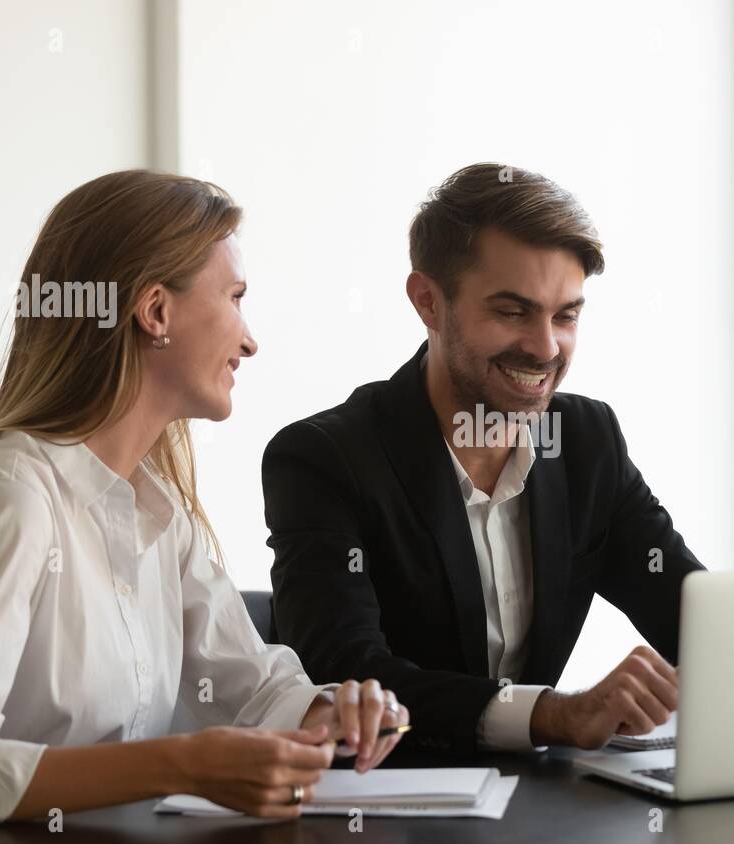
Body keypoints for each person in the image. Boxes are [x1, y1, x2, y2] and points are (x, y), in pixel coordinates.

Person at [0, 170, 408, 833]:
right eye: (236, 298)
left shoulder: (160, 515)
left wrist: (330, 711)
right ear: (155, 312)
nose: (250, 340)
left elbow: (254, 688)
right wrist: (178, 764)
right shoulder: (8, 499)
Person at [262, 163, 702, 755]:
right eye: (512, 311)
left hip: (536, 810)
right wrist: (551, 714)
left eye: (566, 315)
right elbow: (346, 675)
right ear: (428, 302)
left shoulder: (586, 440)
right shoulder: (325, 459)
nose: (546, 348)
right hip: (384, 818)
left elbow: (691, 616)